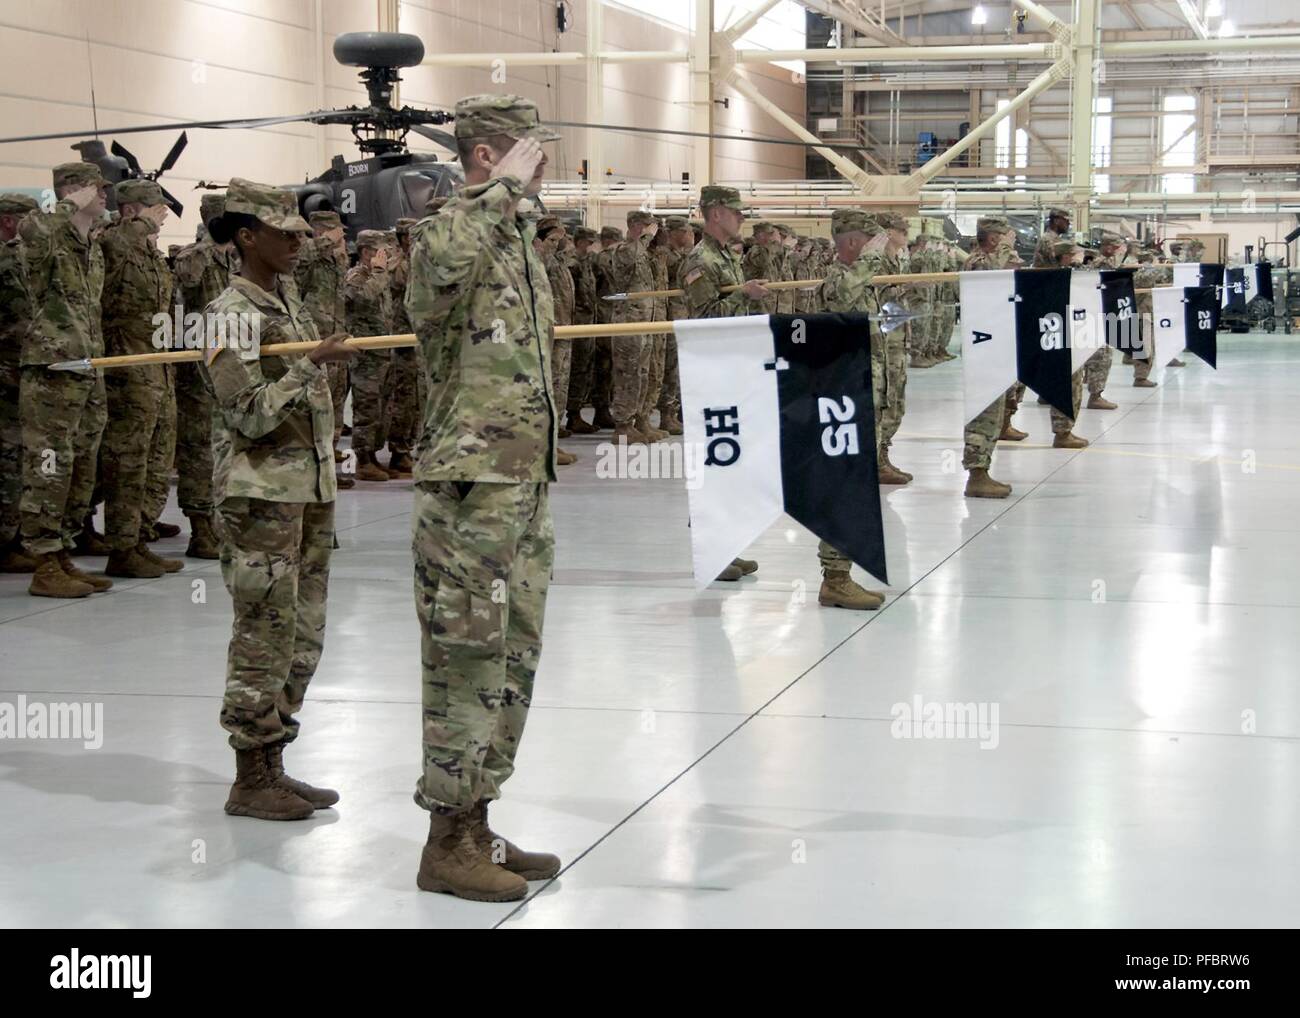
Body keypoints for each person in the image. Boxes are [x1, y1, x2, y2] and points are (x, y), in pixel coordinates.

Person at [404, 94, 564, 902]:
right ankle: (445, 842)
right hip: (471, 487)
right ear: (485, 157)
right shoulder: (448, 227)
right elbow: (430, 287)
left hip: (522, 481)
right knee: (465, 656)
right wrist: (504, 193)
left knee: (513, 654)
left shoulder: (516, 236)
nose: (544, 165)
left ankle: (477, 823)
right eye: (528, 152)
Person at [200, 177, 357, 821]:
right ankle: (249, 774)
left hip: (307, 489)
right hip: (259, 494)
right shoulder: (226, 314)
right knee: (263, 633)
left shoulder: (287, 298)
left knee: (305, 631)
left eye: (298, 231)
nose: (297, 241)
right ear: (246, 238)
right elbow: (247, 415)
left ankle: (274, 762)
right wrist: (307, 366)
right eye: (282, 232)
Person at [19, 162, 112, 597]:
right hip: (52, 369)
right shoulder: (49, 237)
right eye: (99, 189)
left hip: (86, 368)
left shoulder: (89, 244)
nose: (106, 196)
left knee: (79, 463)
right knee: (48, 464)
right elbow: (32, 230)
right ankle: (42, 561)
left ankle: (62, 553)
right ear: (76, 192)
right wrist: (67, 201)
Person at [679, 185, 775, 585]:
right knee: (712, 463)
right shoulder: (699, 260)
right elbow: (703, 317)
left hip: (731, 371)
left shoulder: (725, 257)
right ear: (715, 213)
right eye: (736, 213)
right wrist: (745, 297)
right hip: (710, 375)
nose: (741, 219)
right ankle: (712, 550)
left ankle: (724, 548)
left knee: (728, 463)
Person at [98, 178, 185, 579]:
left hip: (155, 366)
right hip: (127, 368)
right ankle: (120, 547)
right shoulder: (114, 242)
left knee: (155, 460)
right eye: (153, 208)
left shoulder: (147, 254)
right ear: (130, 210)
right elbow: (113, 239)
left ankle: (137, 537)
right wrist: (140, 223)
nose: (162, 216)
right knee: (127, 460)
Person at [811, 207, 896, 610]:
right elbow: (843, 295)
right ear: (850, 242)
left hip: (863, 390)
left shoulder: (862, 278)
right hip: (845, 397)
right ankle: (835, 577)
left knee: (855, 483)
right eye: (870, 241)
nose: (877, 249)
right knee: (842, 483)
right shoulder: (838, 278)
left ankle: (840, 572)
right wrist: (873, 258)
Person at [172, 192, 236, 546]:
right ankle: (199, 524)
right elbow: (187, 278)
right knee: (198, 445)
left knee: (221, 443)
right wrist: (210, 241)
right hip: (198, 366)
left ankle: (217, 515)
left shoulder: (232, 260)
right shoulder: (195, 257)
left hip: (225, 361)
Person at [293, 209, 352, 487]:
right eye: (335, 232)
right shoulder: (306, 255)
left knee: (336, 403)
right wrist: (326, 242)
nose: (341, 238)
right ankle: (316, 468)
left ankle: (329, 464)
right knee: (318, 407)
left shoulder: (336, 259)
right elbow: (300, 261)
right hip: (315, 344)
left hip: (336, 340)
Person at [962, 218, 1015, 498]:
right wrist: (1006, 250)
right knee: (984, 407)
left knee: (994, 407)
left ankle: (982, 470)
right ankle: (976, 474)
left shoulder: (992, 258)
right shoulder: (979, 260)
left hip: (996, 339)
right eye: (1004, 237)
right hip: (982, 341)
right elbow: (991, 277)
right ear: (994, 239)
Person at [0, 193, 38, 574]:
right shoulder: (5, 261)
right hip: (6, 376)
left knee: (19, 463)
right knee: (9, 464)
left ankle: (13, 538)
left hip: (21, 375)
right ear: (10, 222)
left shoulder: (23, 260)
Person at [344, 229, 395, 482]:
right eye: (381, 251)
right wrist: (378, 272)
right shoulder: (357, 276)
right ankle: (362, 459)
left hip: (382, 354)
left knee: (380, 409)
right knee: (366, 408)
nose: (386, 257)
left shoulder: (380, 276)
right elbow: (363, 299)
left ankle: (373, 454)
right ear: (366, 252)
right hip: (366, 356)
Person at [1046, 241, 1090, 449]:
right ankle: (1063, 432)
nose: (1079, 258)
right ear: (1065, 257)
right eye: (1075, 254)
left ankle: (1064, 430)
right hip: (1065, 336)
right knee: (1069, 382)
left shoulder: (1059, 274)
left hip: (1063, 334)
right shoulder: (1063, 276)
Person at [565, 225, 599, 434]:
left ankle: (575, 413)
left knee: (585, 368)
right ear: (579, 242)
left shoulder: (586, 263)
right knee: (576, 369)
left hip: (588, 320)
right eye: (589, 242)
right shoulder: (572, 264)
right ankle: (572, 414)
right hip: (577, 321)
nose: (592, 246)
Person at [1085, 233, 1126, 410]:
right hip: (1094, 314)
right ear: (1109, 247)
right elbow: (1114, 272)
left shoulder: (1096, 260)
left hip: (1092, 311)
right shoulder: (1103, 262)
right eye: (1117, 249)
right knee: (1102, 356)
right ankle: (1096, 396)